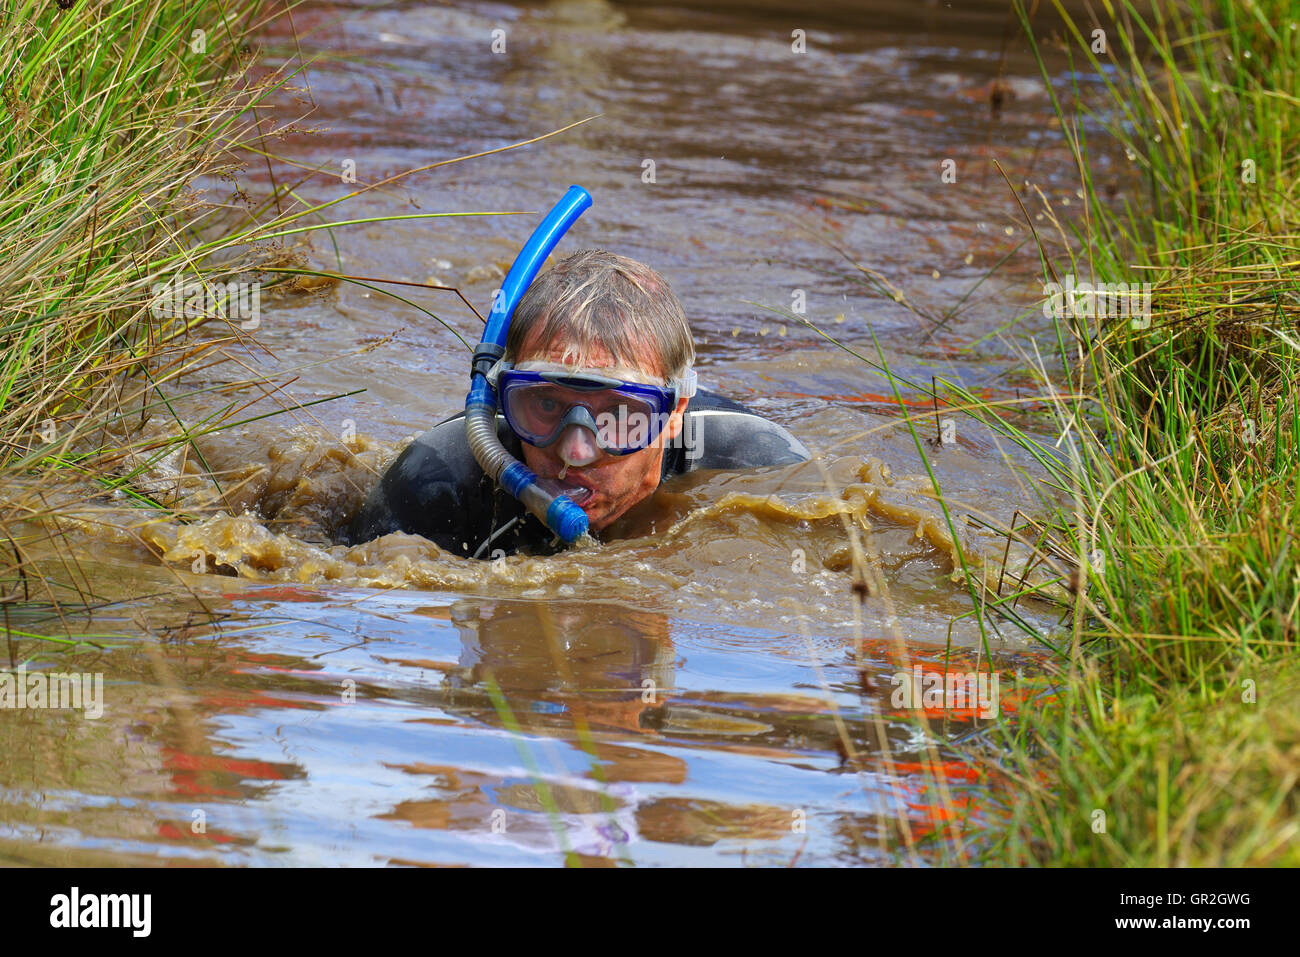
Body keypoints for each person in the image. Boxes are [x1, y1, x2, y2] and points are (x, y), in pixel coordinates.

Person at [348, 249, 809, 558]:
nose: (574, 452)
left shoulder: (756, 466)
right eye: (546, 406)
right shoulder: (436, 485)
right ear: (502, 395)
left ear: (674, 414)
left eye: (617, 415)